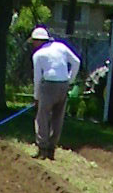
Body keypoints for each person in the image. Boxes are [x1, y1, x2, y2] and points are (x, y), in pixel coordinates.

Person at [28, 27, 80, 160]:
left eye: (33, 41)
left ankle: (42, 149)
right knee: (58, 117)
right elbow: (76, 62)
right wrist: (70, 80)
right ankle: (51, 149)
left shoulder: (38, 55)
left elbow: (37, 78)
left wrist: (36, 97)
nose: (33, 44)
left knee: (42, 117)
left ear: (38, 41)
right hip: (63, 85)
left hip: (49, 85)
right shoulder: (60, 47)